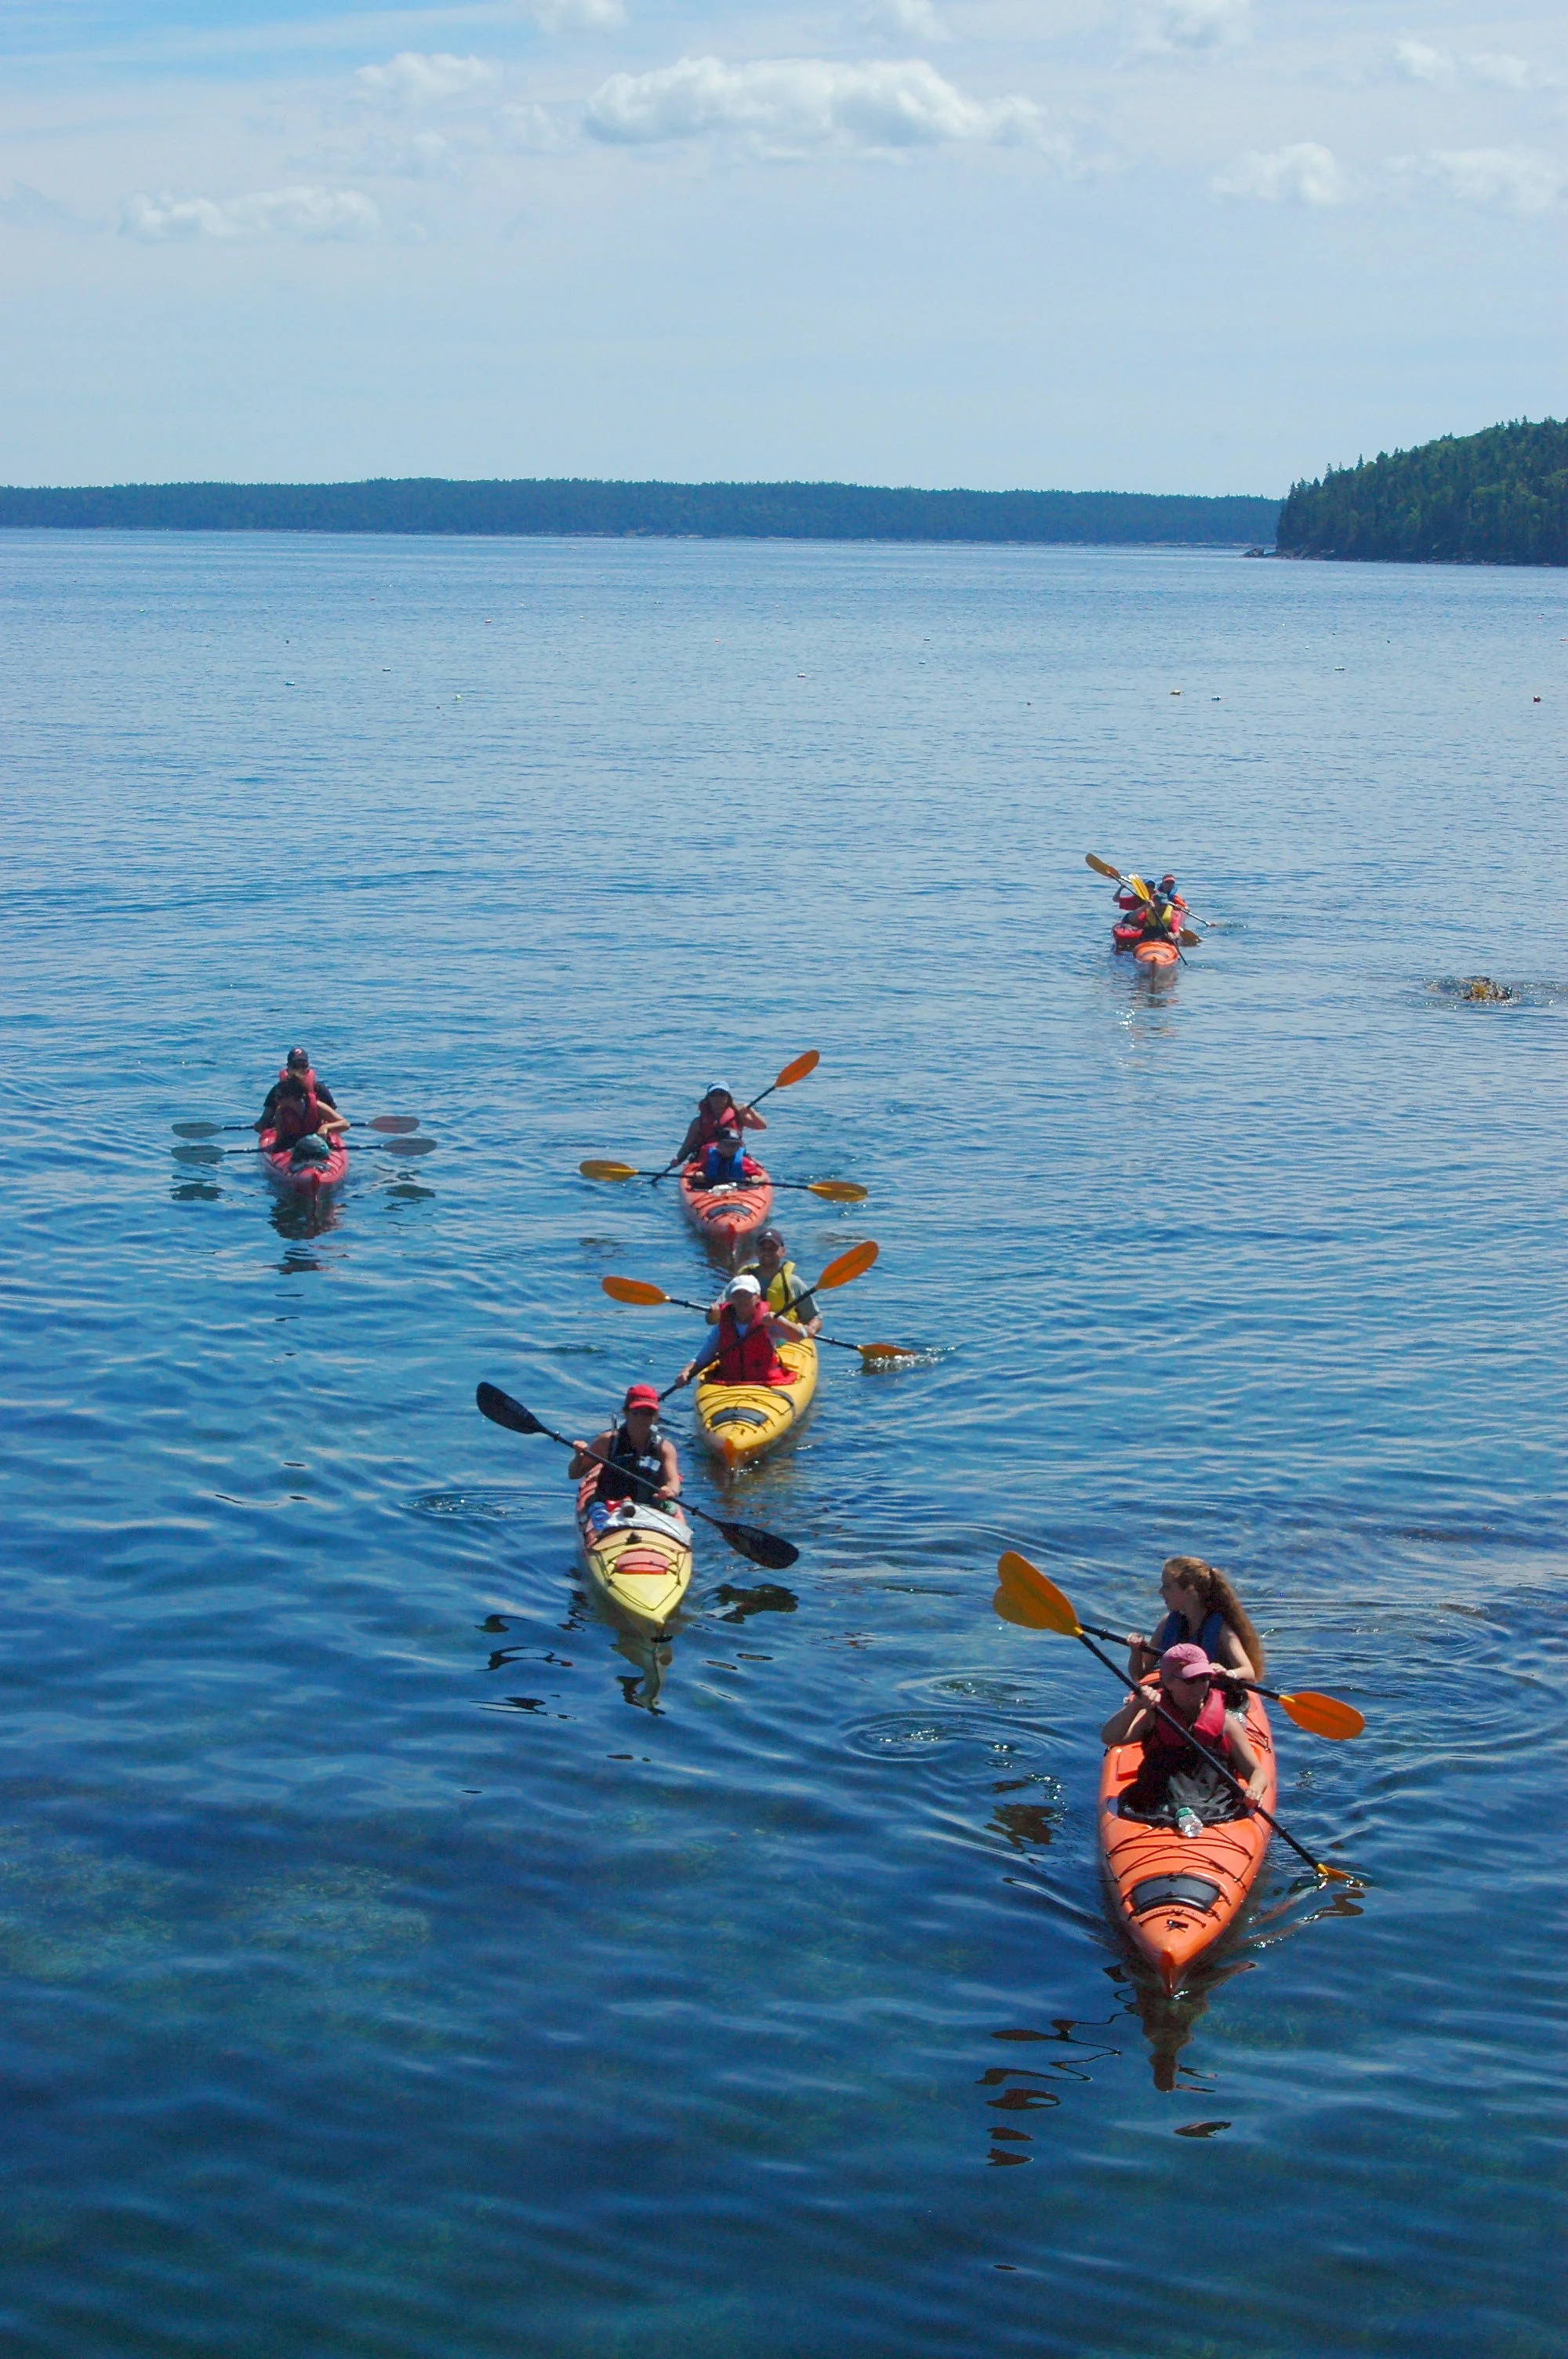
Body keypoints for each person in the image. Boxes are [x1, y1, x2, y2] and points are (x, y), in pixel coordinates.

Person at [1102, 1643, 1269, 1828]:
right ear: (1167, 1682)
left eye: (1204, 1678)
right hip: (1157, 1805)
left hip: (1216, 1807)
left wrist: (1255, 1790)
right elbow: (1110, 1737)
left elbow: (1257, 1772)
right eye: (1190, 1680)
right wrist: (1136, 1706)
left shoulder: (1226, 1723)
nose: (1199, 1686)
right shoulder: (1153, 1715)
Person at [1127, 1557, 1264, 1687]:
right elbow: (1139, 1675)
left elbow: (1249, 1673)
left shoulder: (1221, 1629)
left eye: (1167, 1587)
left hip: (1208, 1696)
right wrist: (1136, 1652)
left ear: (1189, 1590)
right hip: (1175, 1695)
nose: (1161, 1591)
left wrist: (1228, 1673)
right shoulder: (1167, 1623)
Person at [569, 1383, 683, 1534]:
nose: (642, 1418)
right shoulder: (608, 1441)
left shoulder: (665, 1448)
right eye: (637, 1412)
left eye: (648, 1413)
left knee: (671, 1508)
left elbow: (673, 1480)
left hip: (650, 1507)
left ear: (655, 1417)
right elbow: (574, 1474)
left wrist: (670, 1491)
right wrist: (579, 1457)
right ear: (626, 1412)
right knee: (597, 1510)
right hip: (608, 1506)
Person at [677, 1274, 805, 1391]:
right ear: (731, 1299)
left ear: (757, 1298)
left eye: (747, 1295)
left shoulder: (769, 1321)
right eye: (737, 1295)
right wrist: (687, 1372)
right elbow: (703, 1357)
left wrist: (780, 1322)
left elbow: (801, 1336)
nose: (742, 1300)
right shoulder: (723, 1325)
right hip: (729, 1381)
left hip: (764, 1381)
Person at [708, 1228, 822, 1338]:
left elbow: (815, 1317)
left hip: (784, 1340)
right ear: (756, 1251)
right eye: (763, 1248)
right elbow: (711, 1319)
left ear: (783, 1252)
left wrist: (811, 1328)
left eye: (773, 1248)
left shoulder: (794, 1283)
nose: (767, 1252)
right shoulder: (741, 1281)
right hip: (745, 1337)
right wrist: (714, 1314)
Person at [260, 1059, 349, 1164]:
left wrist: (325, 1127)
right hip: (292, 1145)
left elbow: (345, 1124)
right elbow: (280, 1138)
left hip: (316, 1144)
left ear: (291, 1097)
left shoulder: (317, 1106)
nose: (277, 1100)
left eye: (280, 1097)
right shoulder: (281, 1112)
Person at [257, 1048, 345, 1140]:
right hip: (290, 1138)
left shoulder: (319, 1089)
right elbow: (266, 1120)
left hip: (315, 1137)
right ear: (288, 1068)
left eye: (303, 1065)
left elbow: (337, 1119)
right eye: (295, 1066)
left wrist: (326, 1128)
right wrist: (262, 1126)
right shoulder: (279, 1091)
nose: (299, 1069)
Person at [674, 1083, 768, 1166]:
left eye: (722, 1095)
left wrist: (751, 1111)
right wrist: (678, 1159)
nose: (718, 1098)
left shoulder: (738, 1117)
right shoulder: (698, 1122)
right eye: (714, 1095)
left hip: (734, 1155)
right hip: (707, 1159)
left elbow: (762, 1126)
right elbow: (687, 1146)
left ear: (728, 1098)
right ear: (708, 1098)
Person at [689, 1125, 765, 1190]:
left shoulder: (744, 1162)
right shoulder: (710, 1159)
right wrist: (699, 1175)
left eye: (735, 1146)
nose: (731, 1148)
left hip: (738, 1189)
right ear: (719, 1145)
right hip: (713, 1188)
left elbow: (763, 1177)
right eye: (727, 1145)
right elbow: (697, 1172)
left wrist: (757, 1179)